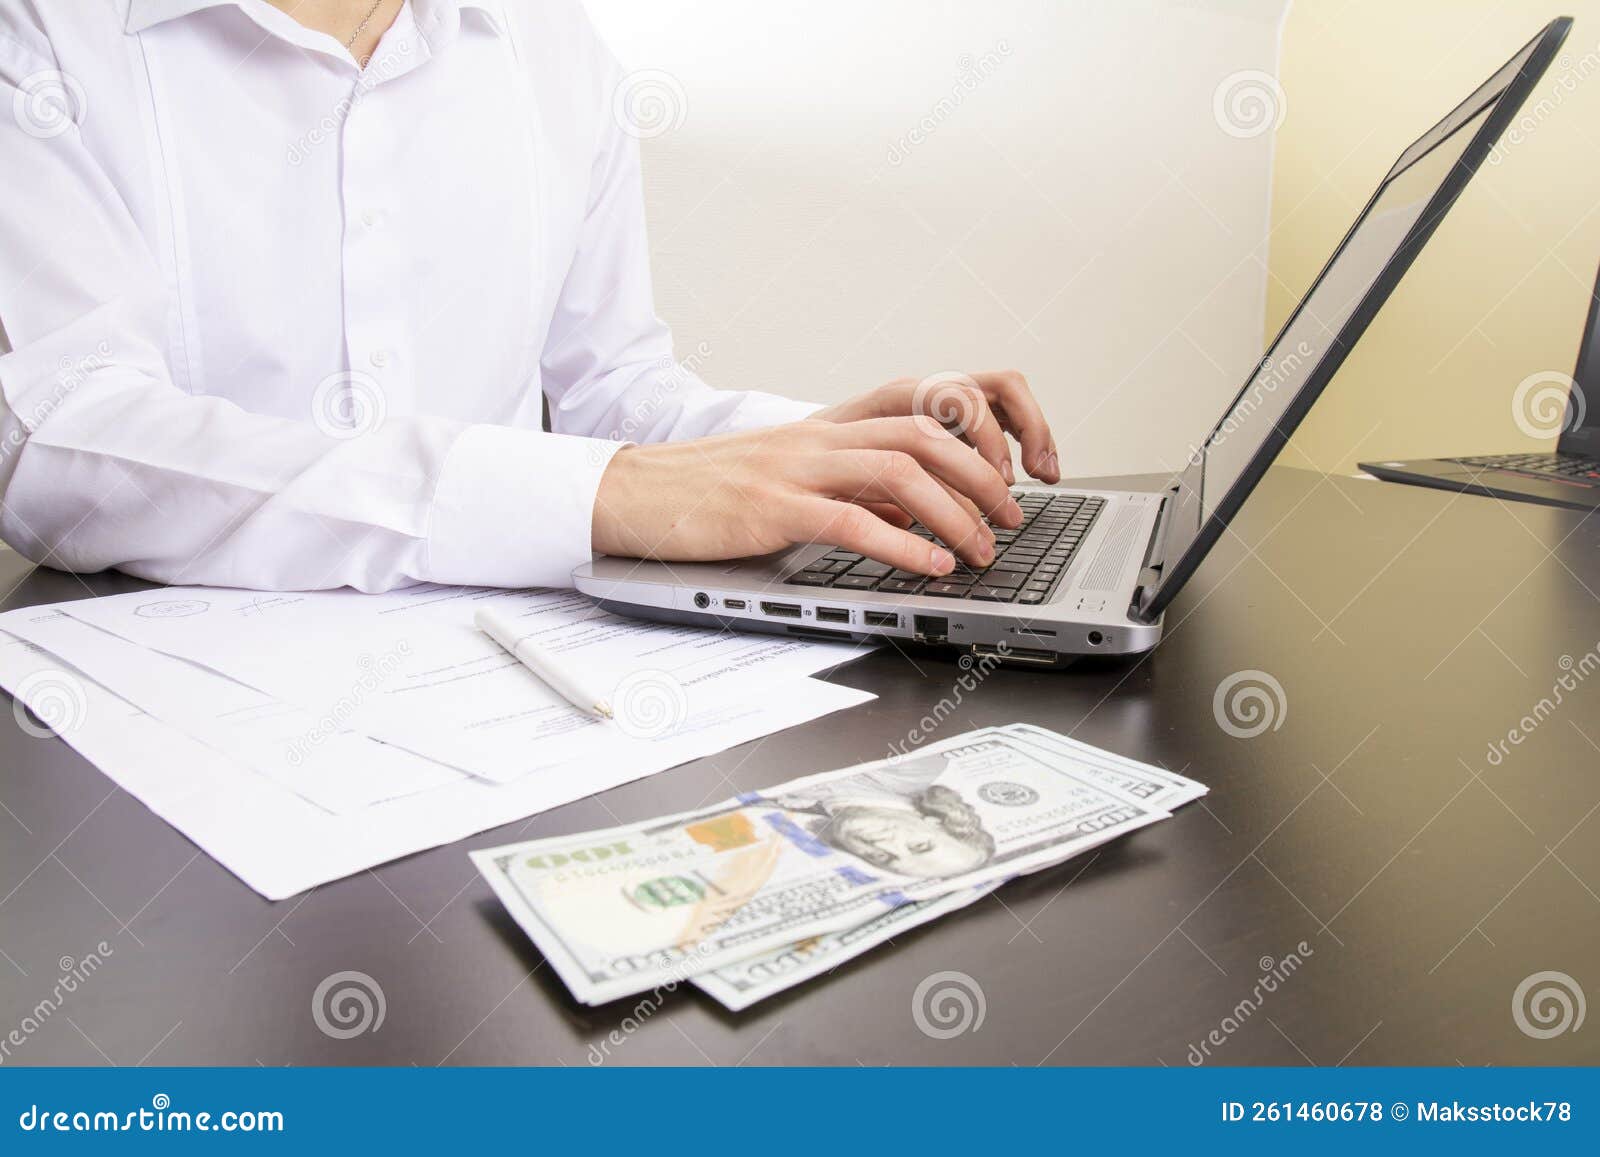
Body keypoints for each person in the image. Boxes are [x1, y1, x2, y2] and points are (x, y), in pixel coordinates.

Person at [0, 0, 1060, 594]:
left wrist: (830, 448)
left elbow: (617, 392)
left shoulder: (552, 49)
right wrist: (594, 497)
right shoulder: (42, 37)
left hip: (510, 699)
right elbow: (56, 435)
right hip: (161, 732)